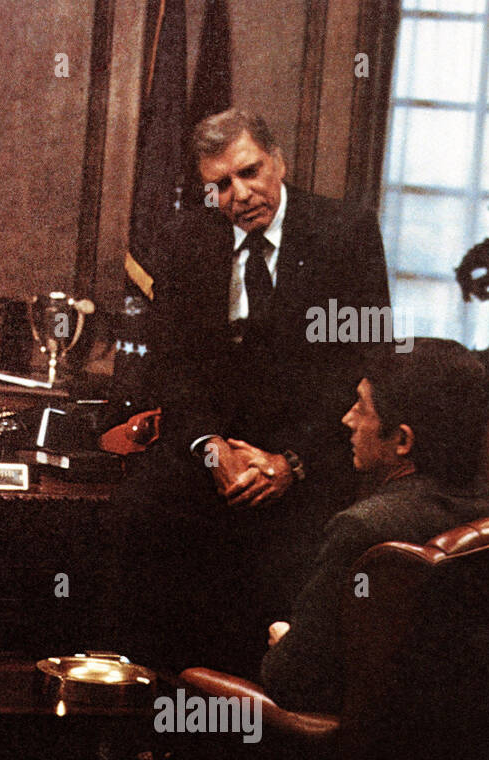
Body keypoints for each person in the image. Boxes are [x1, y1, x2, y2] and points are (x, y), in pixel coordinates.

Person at [112, 108, 392, 672]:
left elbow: (364, 369)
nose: (238, 194)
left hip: (306, 464)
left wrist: (289, 463)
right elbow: (171, 369)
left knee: (291, 565)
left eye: (249, 172)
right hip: (209, 455)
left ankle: (255, 731)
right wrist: (210, 447)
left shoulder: (344, 233)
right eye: (219, 185)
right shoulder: (188, 240)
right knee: (131, 521)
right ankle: (141, 713)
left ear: (278, 162)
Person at [259, 338, 489, 713]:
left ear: (403, 439)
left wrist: (284, 642)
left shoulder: (364, 528)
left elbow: (294, 680)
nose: (348, 419)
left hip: (375, 758)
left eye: (361, 408)